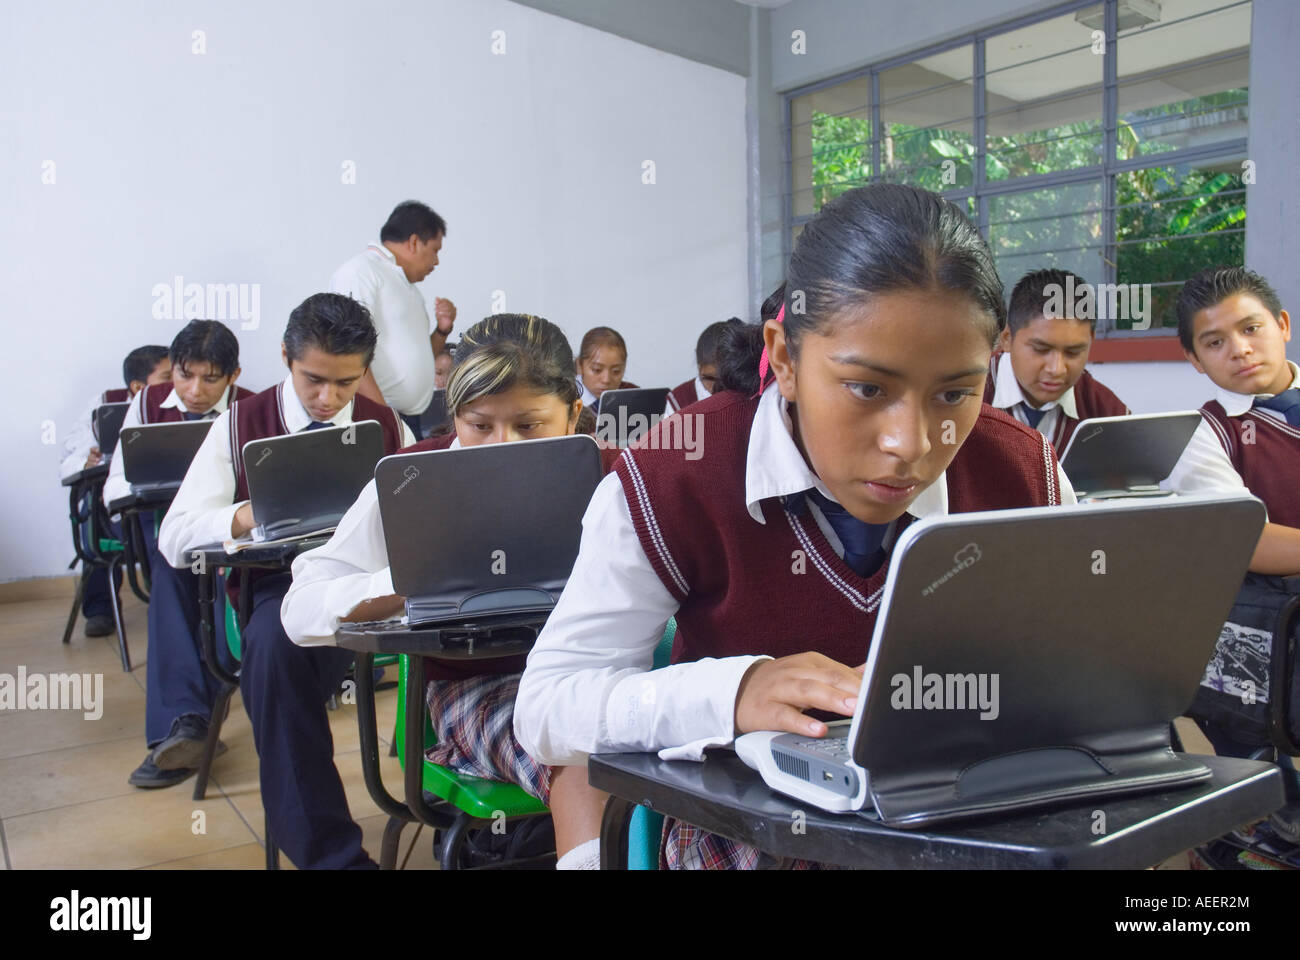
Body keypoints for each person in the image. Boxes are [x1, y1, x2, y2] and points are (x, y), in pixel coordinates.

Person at [514, 183, 1075, 869]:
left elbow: (1080, 669)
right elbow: (546, 708)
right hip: (746, 824)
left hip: (956, 804)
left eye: (955, 392)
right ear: (783, 358)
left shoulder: (1022, 471)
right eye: (868, 388)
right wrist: (736, 691)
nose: (911, 442)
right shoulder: (674, 472)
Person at [282, 314, 621, 869]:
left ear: (574, 414)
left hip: (601, 673)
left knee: (677, 756)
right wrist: (412, 573)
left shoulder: (610, 474)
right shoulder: (415, 476)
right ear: (453, 415)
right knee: (584, 751)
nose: (499, 448)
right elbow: (300, 609)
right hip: (483, 687)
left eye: (530, 425)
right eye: (478, 425)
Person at [154, 293, 414, 863]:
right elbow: (173, 537)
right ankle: (331, 857)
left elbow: (426, 512)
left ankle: (483, 824)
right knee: (275, 652)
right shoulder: (239, 425)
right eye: (313, 380)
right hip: (279, 591)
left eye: (346, 383)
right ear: (285, 359)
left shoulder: (387, 424)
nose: (329, 399)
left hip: (373, 585)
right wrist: (244, 515)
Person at [61, 345, 171, 637]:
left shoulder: (182, 405)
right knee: (103, 514)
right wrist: (87, 459)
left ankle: (173, 604)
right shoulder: (104, 406)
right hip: (116, 508)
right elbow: (70, 458)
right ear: (138, 386)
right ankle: (101, 609)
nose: (177, 384)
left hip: (161, 502)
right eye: (167, 377)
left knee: (167, 528)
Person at [330, 201, 457, 435]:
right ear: (415, 242)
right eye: (435, 250)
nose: (436, 262)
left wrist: (442, 331)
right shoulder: (361, 272)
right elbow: (347, 351)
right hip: (376, 417)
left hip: (407, 418)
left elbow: (421, 356)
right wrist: (382, 416)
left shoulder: (408, 287)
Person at [983, 268, 1129, 454]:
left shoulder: (1102, 409)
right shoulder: (970, 394)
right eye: (1041, 350)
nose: (1057, 369)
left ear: (1090, 340)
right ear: (1007, 338)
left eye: (1073, 352)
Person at [664, 319, 739, 415]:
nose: (716, 387)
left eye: (725, 379)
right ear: (699, 366)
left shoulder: (747, 395)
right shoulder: (678, 400)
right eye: (710, 379)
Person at [575, 326, 637, 408]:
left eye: (616, 371)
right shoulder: (563, 401)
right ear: (580, 366)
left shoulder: (633, 395)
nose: (606, 380)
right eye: (597, 370)